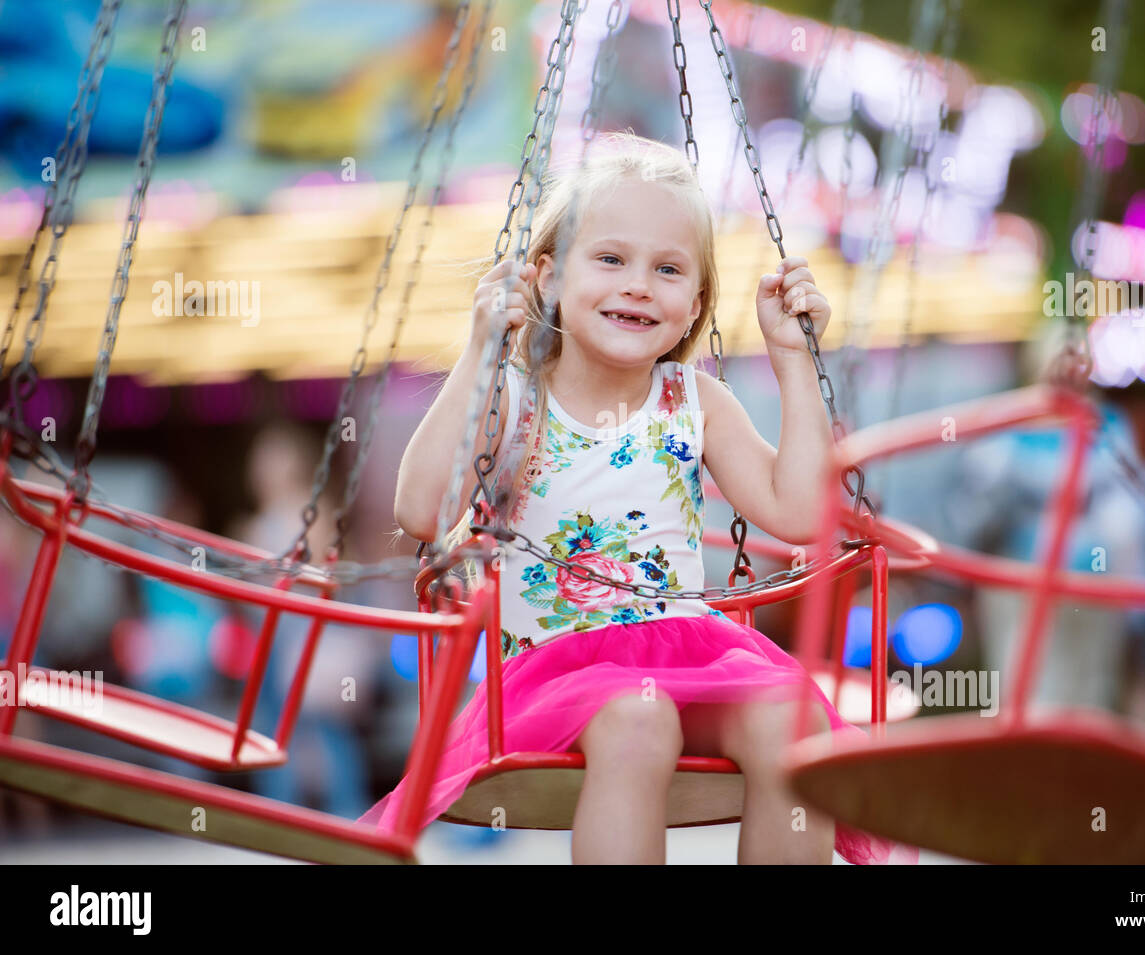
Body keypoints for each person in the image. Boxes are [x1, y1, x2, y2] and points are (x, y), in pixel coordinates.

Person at [359, 132, 916, 865]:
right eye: (611, 259)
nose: (639, 285)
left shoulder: (695, 399)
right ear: (547, 279)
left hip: (690, 651)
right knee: (639, 720)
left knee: (791, 714)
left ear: (695, 306)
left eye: (668, 269)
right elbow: (424, 512)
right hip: (555, 672)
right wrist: (480, 351)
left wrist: (792, 359)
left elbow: (795, 511)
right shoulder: (519, 400)